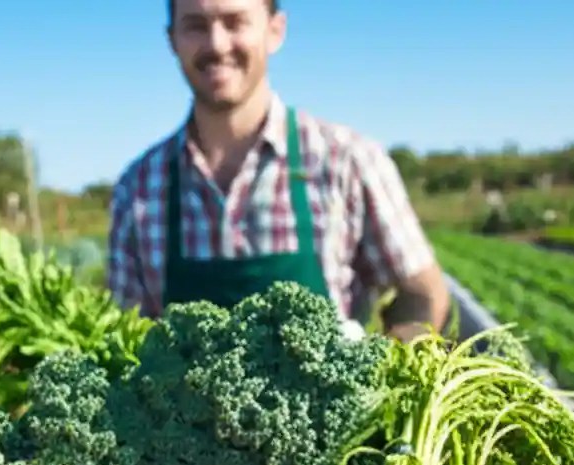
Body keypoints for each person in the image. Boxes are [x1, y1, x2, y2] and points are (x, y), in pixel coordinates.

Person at [106, 0, 450, 341]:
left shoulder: (348, 161)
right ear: (172, 40)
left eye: (235, 21)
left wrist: (388, 368)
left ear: (275, 31)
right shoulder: (138, 188)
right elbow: (126, 333)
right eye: (195, 25)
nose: (217, 43)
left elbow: (422, 292)